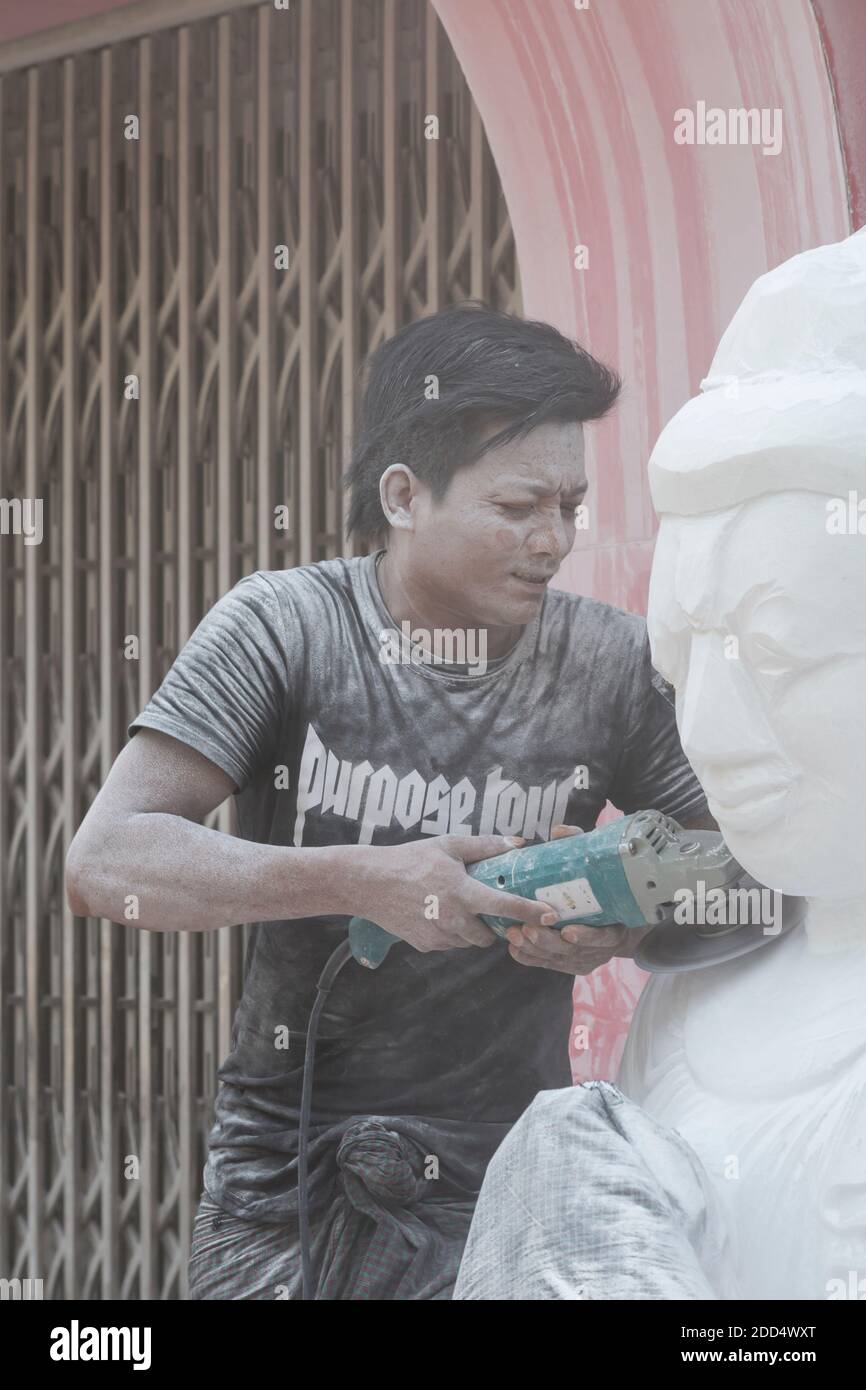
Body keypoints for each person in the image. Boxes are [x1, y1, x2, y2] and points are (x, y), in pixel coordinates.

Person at [65, 301, 714, 1300]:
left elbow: (738, 867)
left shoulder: (608, 662)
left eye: (570, 508)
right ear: (404, 495)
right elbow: (108, 862)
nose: (552, 541)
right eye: (515, 508)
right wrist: (365, 880)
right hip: (287, 1189)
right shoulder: (285, 627)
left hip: (504, 1185)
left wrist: (618, 928)